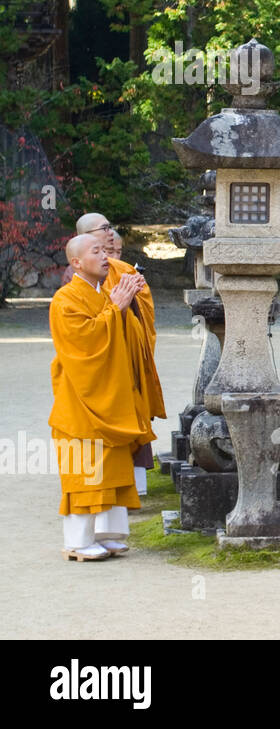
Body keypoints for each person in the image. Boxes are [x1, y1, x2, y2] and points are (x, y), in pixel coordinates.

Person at [49, 234, 153, 560]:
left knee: (112, 463)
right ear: (77, 262)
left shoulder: (107, 294)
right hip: (81, 401)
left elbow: (130, 340)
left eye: (106, 251)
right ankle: (78, 541)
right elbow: (84, 345)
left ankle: (108, 533)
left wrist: (126, 310)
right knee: (86, 468)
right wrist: (115, 309)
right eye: (96, 251)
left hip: (112, 398)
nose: (105, 256)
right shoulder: (64, 301)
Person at [75, 213, 163, 497]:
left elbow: (143, 312)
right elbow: (81, 329)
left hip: (128, 355)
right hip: (98, 363)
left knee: (133, 412)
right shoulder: (72, 286)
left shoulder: (123, 269)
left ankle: (134, 485)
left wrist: (129, 301)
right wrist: (116, 307)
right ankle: (100, 485)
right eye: (103, 230)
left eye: (110, 228)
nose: (110, 234)